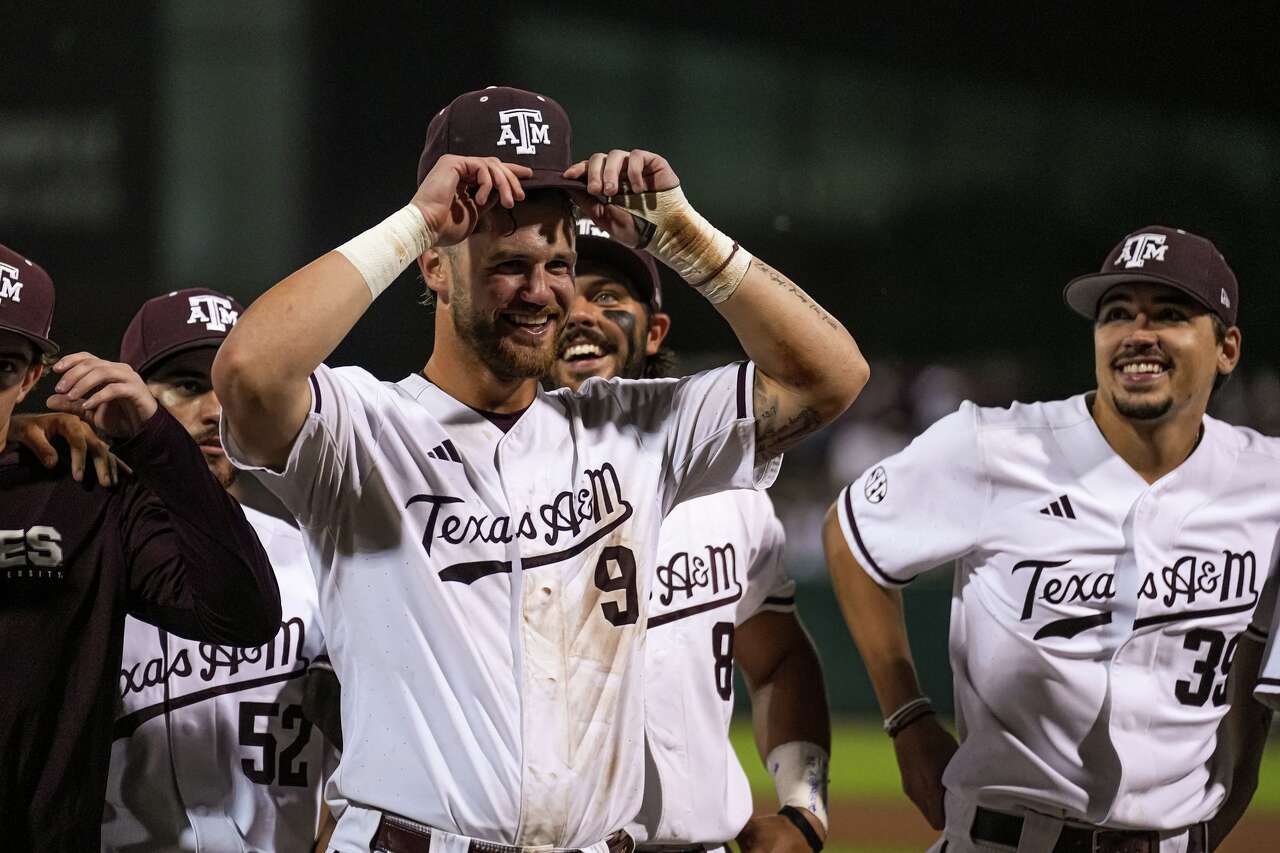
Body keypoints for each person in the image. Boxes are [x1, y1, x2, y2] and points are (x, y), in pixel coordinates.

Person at [212, 86, 867, 853]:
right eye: (509, 263)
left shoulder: (634, 424)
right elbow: (251, 371)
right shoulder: (361, 429)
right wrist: (413, 220)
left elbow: (832, 376)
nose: (542, 290)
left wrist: (686, 237)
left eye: (559, 262)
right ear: (436, 268)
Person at [824, 225, 1279, 853]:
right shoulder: (993, 447)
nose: (1136, 333)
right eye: (1116, 314)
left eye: (1169, 315)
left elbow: (1258, 644)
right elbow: (850, 537)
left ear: (1227, 349)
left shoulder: (1268, 482)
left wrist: (1244, 768)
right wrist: (908, 718)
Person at [547, 219, 831, 853]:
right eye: (563, 296)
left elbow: (779, 657)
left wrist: (806, 807)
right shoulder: (483, 490)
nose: (581, 314)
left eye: (608, 298)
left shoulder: (734, 494)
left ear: (654, 332)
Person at [0, 245, 282, 852]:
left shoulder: (83, 495)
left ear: (29, 378)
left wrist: (156, 439)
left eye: (1, 367)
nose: (212, 412)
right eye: (185, 386)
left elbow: (242, 615)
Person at [100, 288, 337, 851]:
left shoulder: (318, 558)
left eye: (227, 387)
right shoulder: (89, 568)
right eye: (186, 386)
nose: (214, 411)